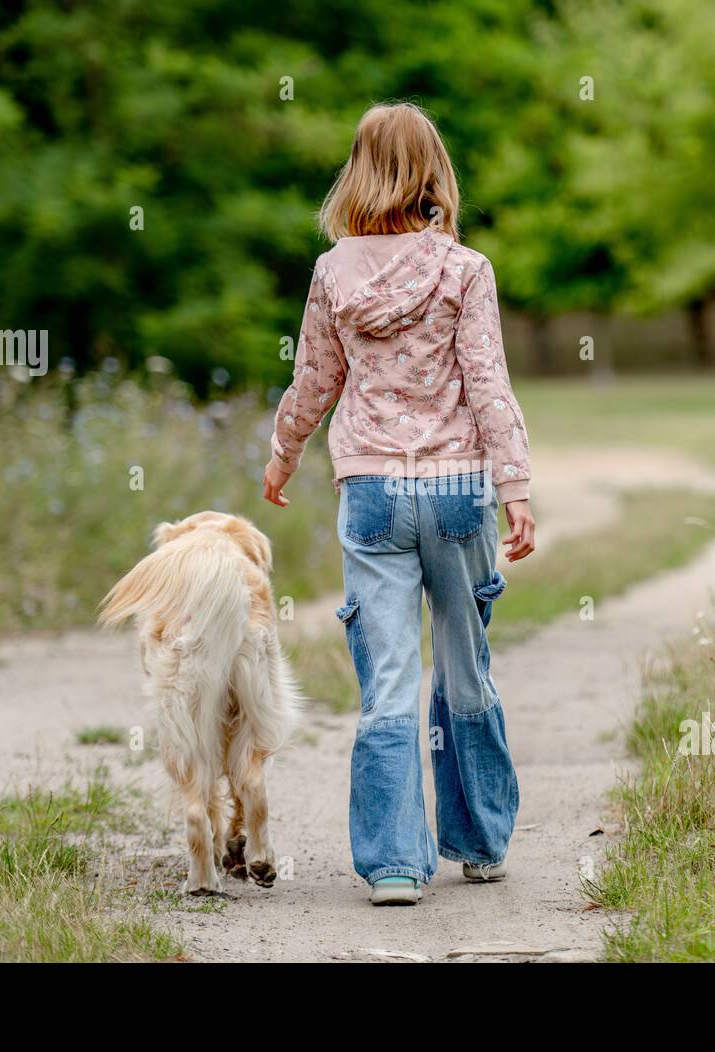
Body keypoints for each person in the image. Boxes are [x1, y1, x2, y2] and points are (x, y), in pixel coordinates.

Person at [263, 102, 535, 906]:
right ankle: (481, 844)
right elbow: (487, 384)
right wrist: (514, 485)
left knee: (387, 682)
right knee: (464, 671)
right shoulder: (465, 270)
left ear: (359, 170)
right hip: (456, 491)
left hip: (374, 491)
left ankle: (392, 866)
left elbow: (314, 379)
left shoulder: (333, 274)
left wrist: (283, 453)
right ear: (434, 172)